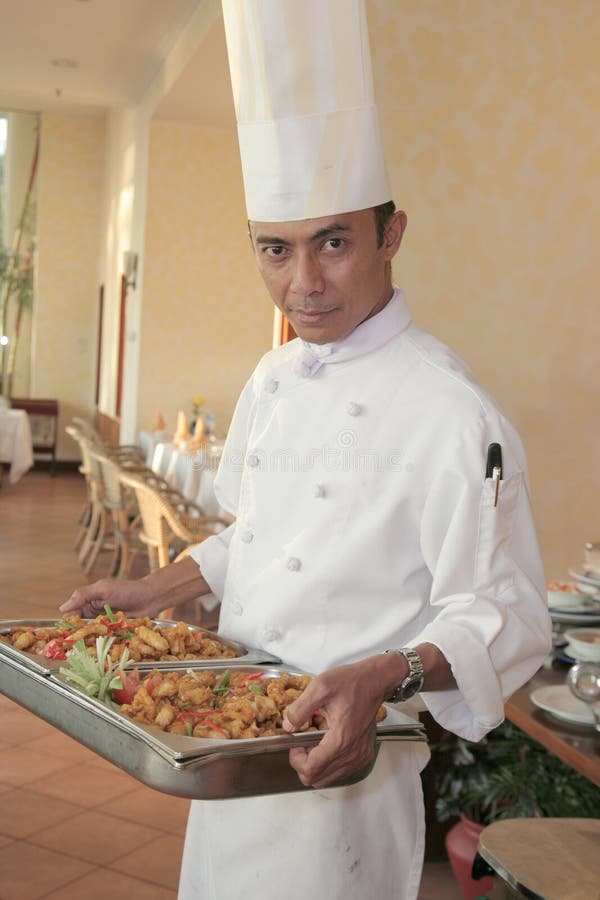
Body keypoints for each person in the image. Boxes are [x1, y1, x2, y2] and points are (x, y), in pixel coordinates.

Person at [60, 3, 552, 898]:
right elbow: (264, 534)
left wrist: (383, 672)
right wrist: (157, 588)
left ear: (390, 234)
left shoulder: (450, 411)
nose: (305, 283)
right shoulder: (276, 377)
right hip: (230, 749)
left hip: (344, 780)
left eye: (333, 241)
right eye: (275, 251)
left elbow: (506, 613)